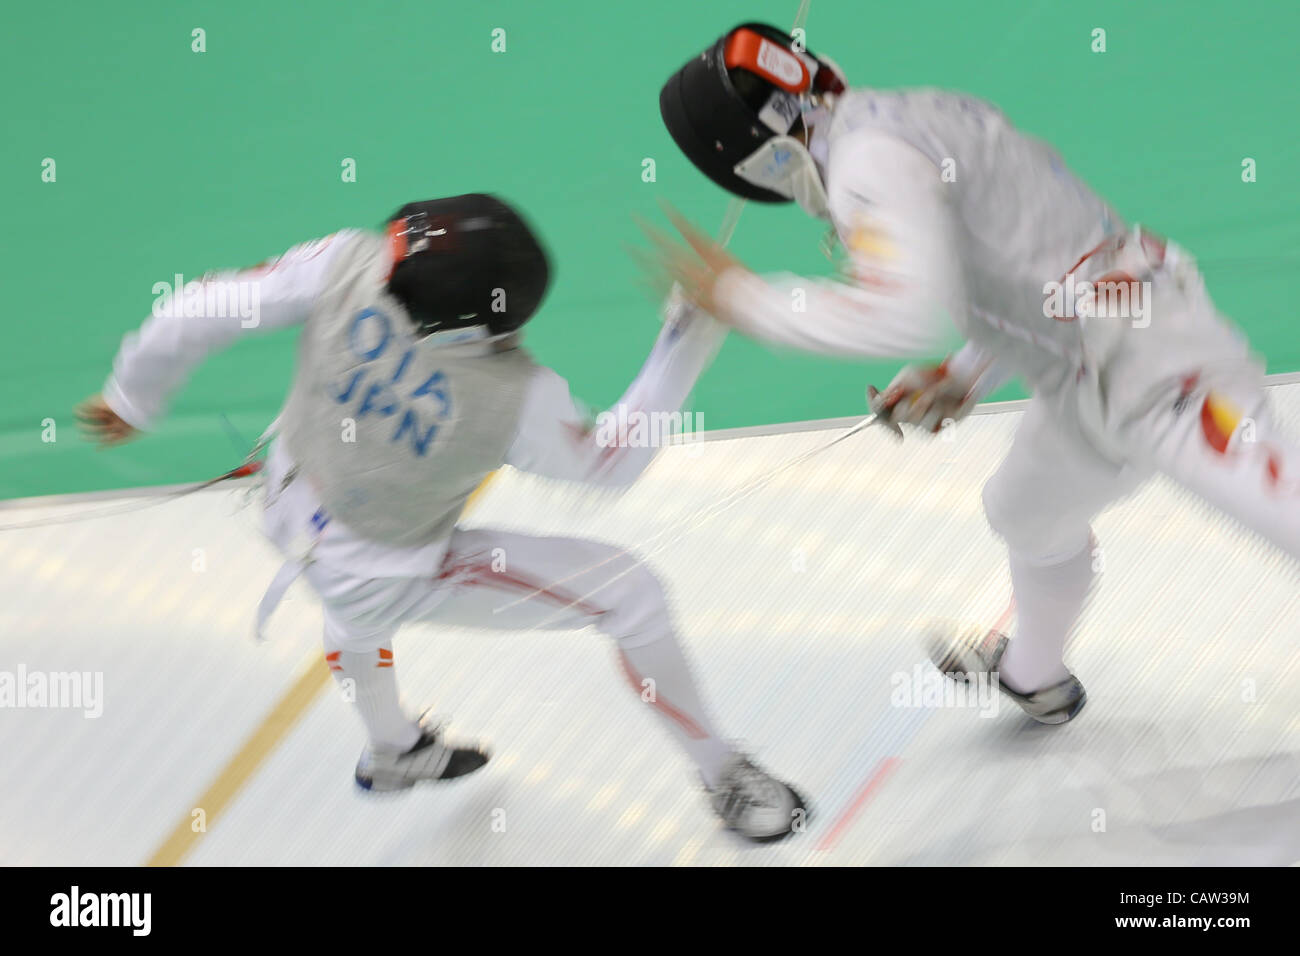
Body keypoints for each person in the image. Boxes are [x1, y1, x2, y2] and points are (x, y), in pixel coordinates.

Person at [77, 193, 806, 841]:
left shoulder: (344, 262)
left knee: (351, 614)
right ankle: (721, 771)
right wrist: (689, 336)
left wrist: (131, 397)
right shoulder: (515, 396)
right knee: (631, 593)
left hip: (286, 501)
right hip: (386, 562)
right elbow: (608, 466)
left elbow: (202, 307)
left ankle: (394, 750)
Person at [643, 23, 1300, 724]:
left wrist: (744, 299)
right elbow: (1022, 256)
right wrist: (963, 375)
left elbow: (903, 315)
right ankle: (1033, 676)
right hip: (1082, 374)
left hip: (1162, 363)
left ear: (755, 162)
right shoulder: (906, 116)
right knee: (1021, 511)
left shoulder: (868, 164)